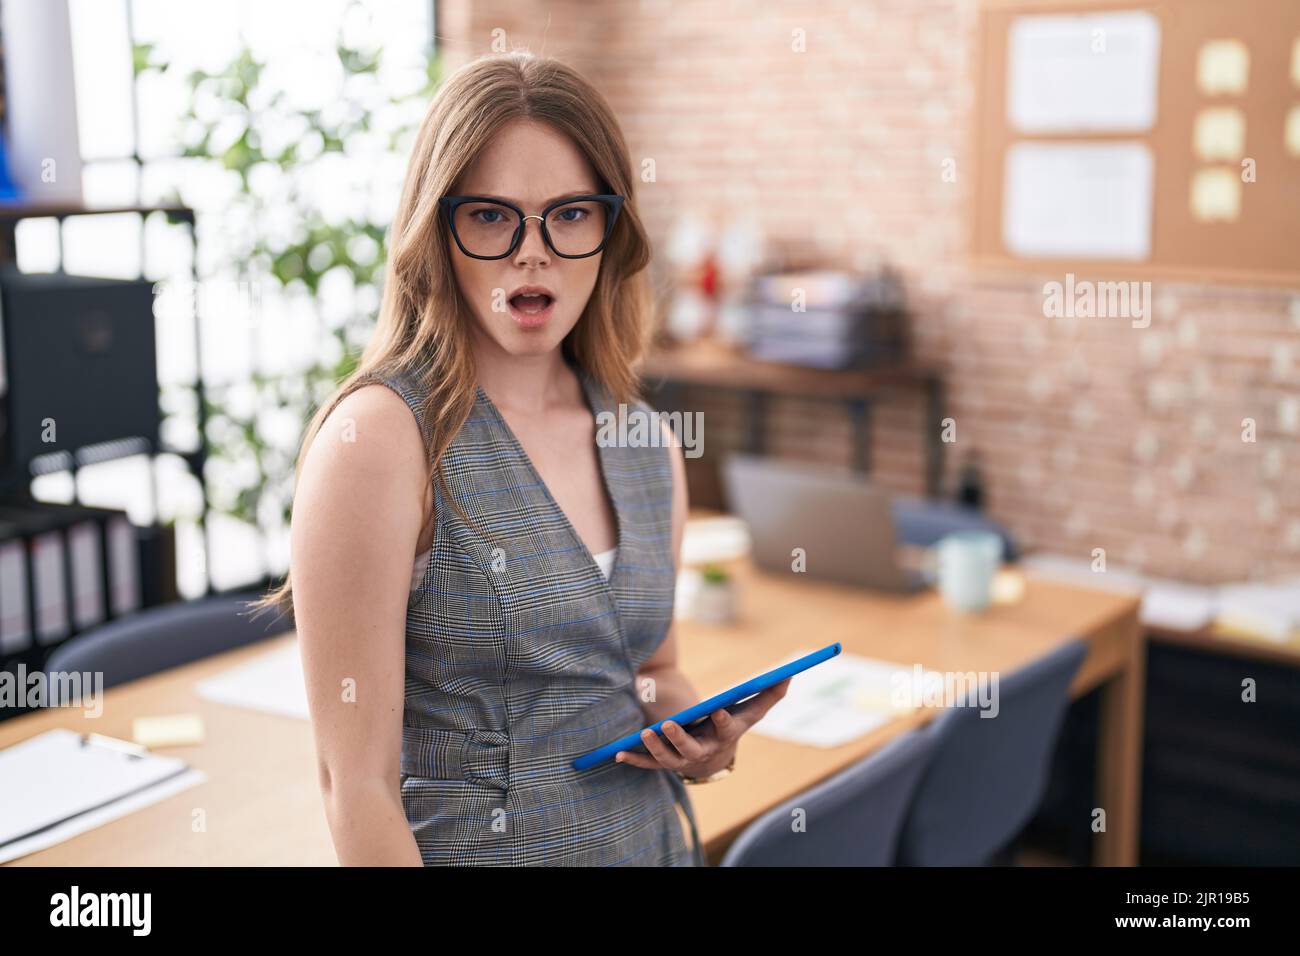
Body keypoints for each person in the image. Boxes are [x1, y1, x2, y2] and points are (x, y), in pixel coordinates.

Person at [256, 51, 788, 866]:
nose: (532, 252)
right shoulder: (380, 443)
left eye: (570, 214)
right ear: (440, 229)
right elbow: (354, 788)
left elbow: (650, 667)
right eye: (493, 216)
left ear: (612, 231)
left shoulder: (643, 440)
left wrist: (699, 735)